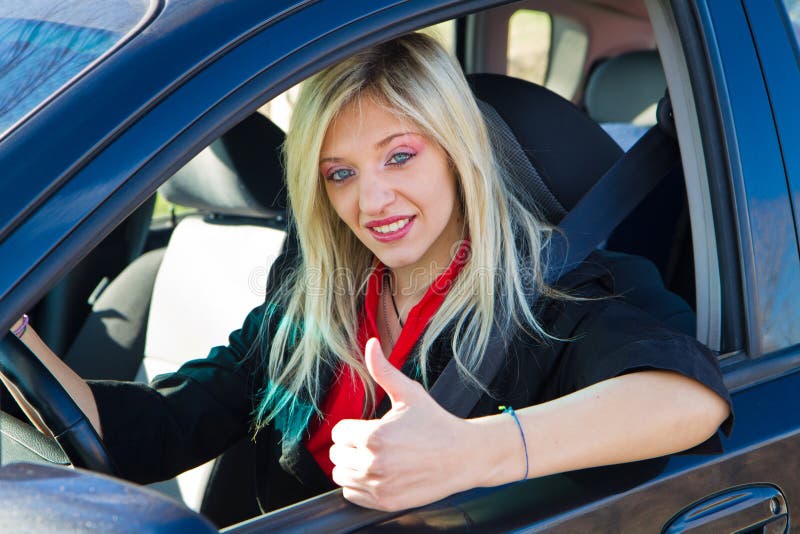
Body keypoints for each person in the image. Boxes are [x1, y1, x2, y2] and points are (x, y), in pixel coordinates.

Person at [5, 33, 731, 514]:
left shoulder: (552, 289)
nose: (371, 199)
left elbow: (686, 397)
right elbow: (149, 432)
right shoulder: (314, 303)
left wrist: (475, 452)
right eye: (341, 172)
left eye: (401, 156)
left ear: (457, 151)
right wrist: (18, 334)